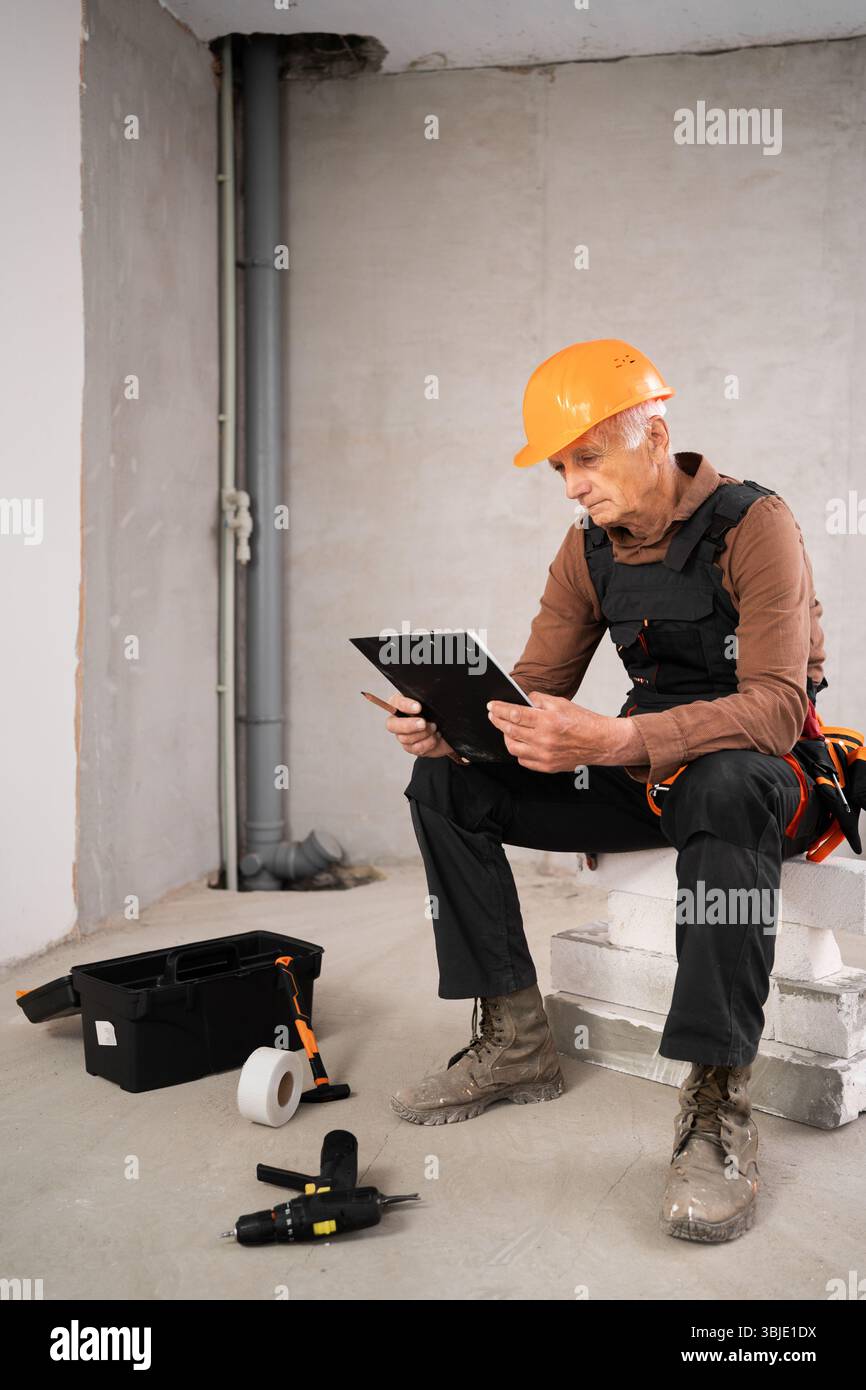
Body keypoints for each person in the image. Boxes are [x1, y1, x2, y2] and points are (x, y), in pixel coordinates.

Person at [382, 339, 833, 1244]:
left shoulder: (757, 525)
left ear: (654, 434)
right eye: (559, 467)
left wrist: (624, 735)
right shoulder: (587, 551)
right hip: (643, 775)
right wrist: (462, 727)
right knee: (444, 782)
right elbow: (532, 684)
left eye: (586, 458)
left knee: (727, 786)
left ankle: (715, 1105)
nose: (571, 485)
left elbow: (779, 708)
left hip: (764, 773)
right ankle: (515, 1039)